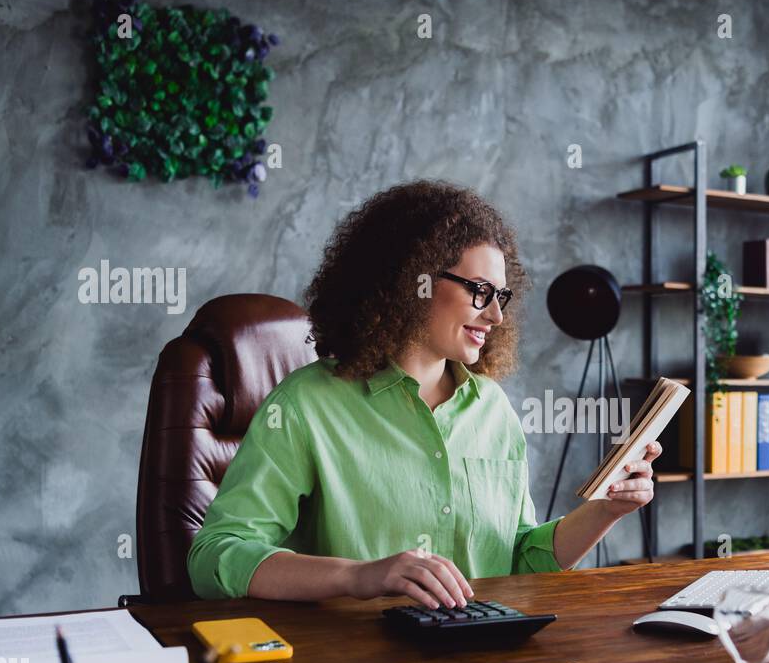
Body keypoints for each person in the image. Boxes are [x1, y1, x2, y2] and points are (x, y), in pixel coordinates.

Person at [188, 179, 660, 608]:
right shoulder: (305, 406)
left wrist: (606, 510)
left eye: (501, 295)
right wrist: (360, 576)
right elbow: (215, 557)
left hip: (483, 657)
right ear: (409, 281)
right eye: (479, 290)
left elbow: (516, 561)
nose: (495, 316)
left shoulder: (492, 409)